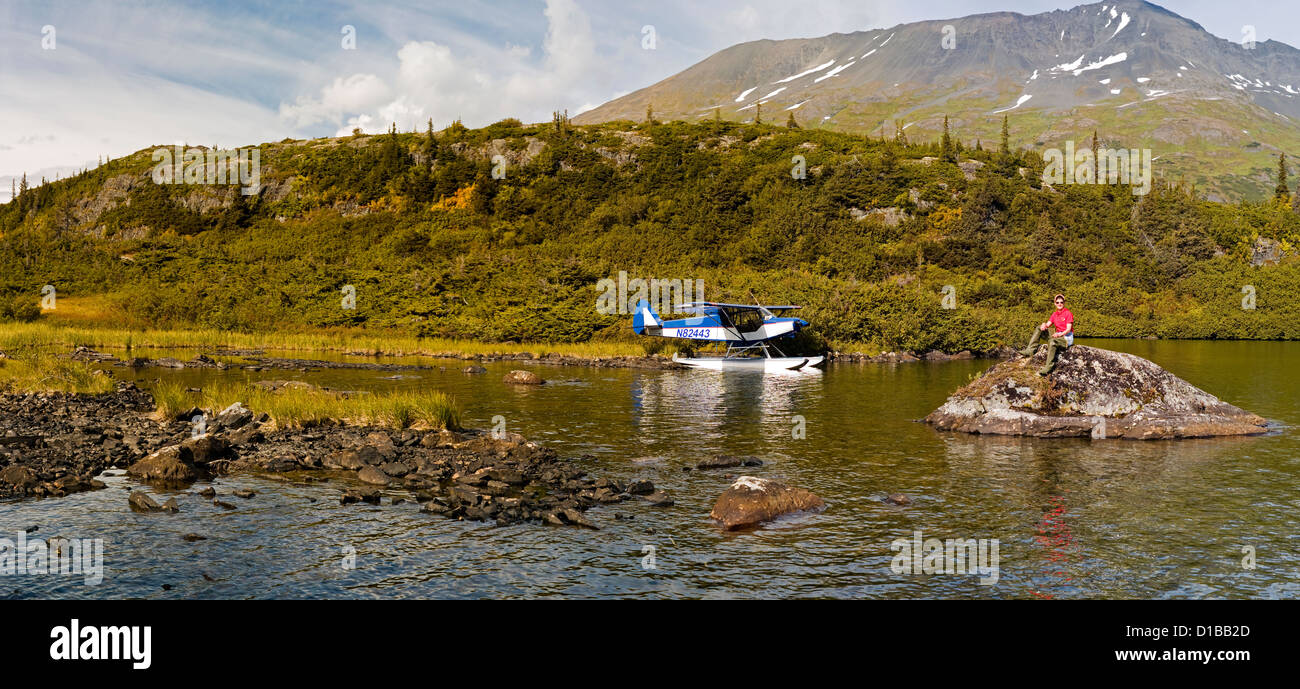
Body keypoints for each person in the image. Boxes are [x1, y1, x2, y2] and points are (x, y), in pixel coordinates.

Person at [1019, 293, 1073, 375]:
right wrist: (1044, 325)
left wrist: (1059, 334)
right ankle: (1031, 350)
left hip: (1066, 338)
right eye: (1057, 302)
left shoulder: (1068, 313)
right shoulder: (1054, 314)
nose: (1059, 304)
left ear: (1064, 303)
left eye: (1061, 302)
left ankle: (1048, 367)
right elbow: (1048, 324)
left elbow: (1068, 329)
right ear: (1055, 303)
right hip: (1057, 335)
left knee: (1052, 342)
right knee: (1039, 328)